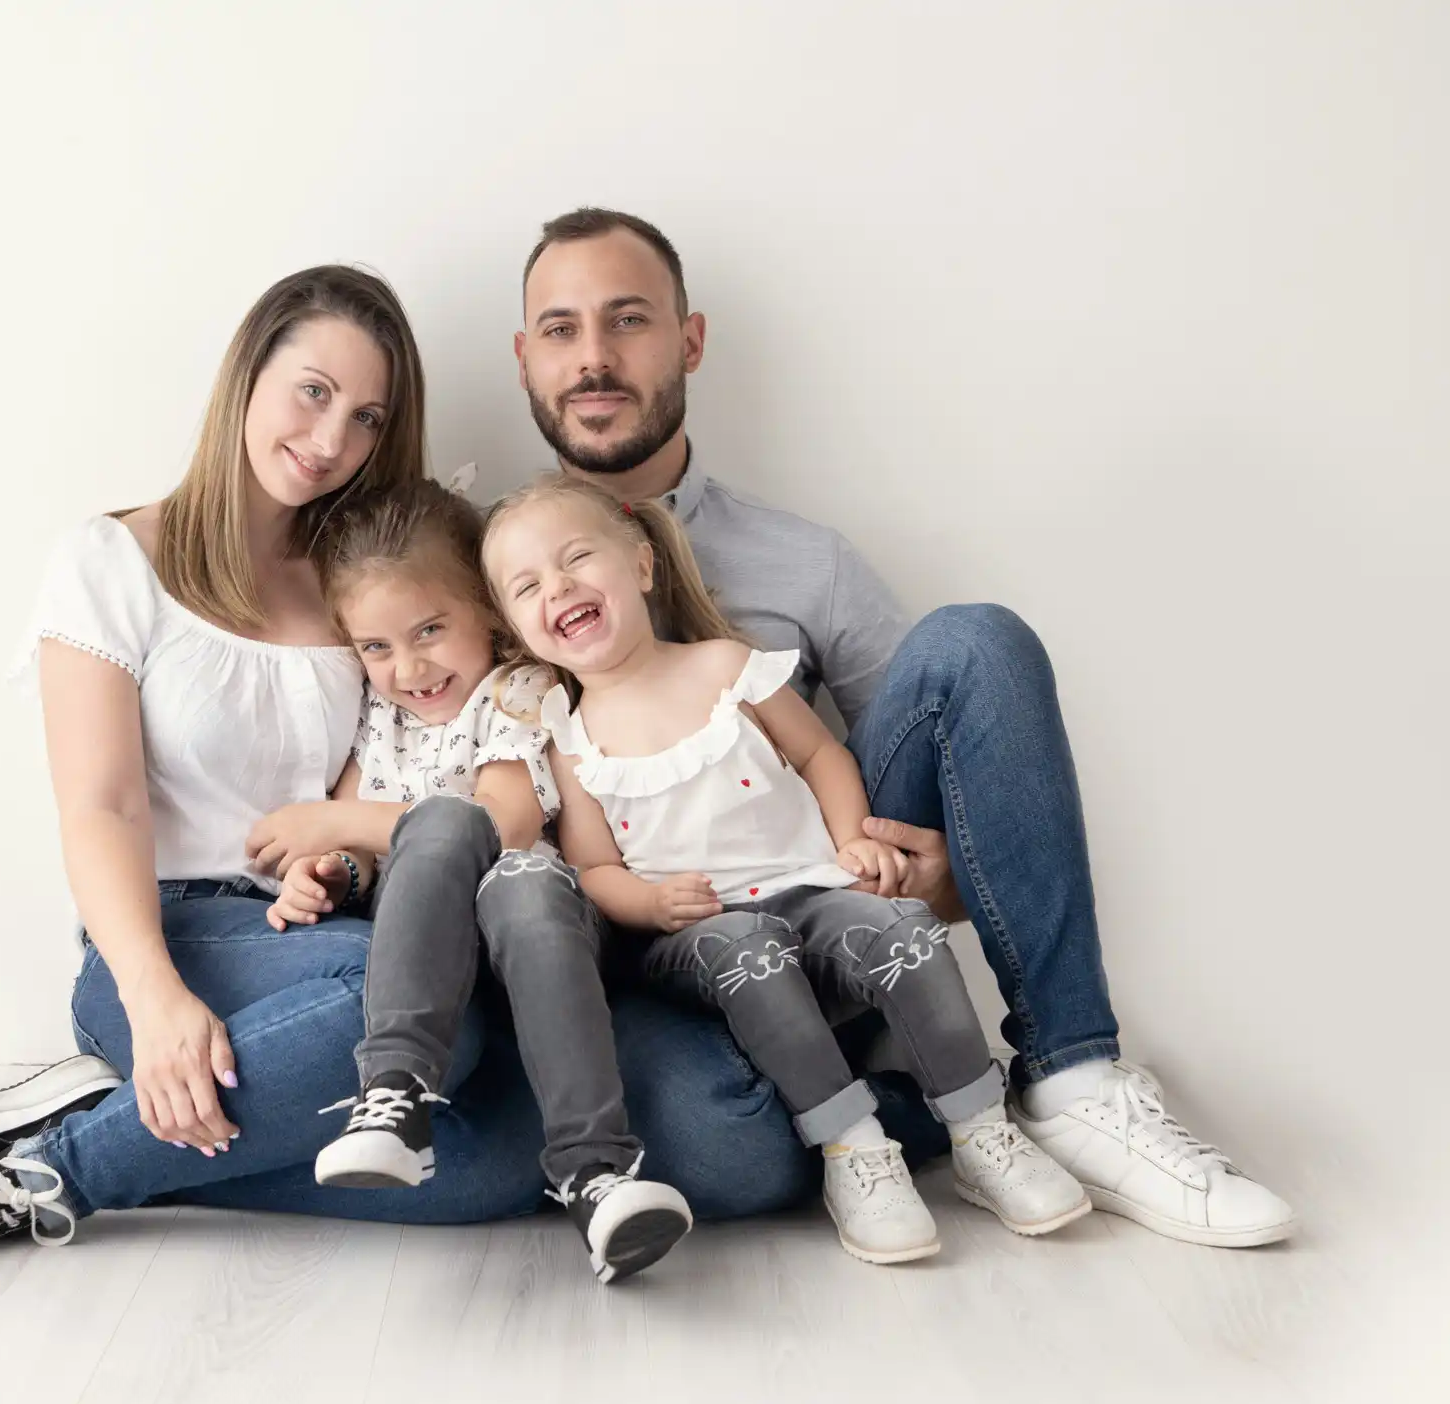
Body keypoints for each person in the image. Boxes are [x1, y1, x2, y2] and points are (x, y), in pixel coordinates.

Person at [509, 207, 1296, 1247]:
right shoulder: (488, 579)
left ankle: (1073, 1080)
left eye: (628, 320)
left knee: (973, 643)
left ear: (689, 340)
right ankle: (901, 1107)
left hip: (825, 891)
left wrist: (932, 873)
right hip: (662, 953)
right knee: (726, 1147)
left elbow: (945, 771)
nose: (594, 359)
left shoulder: (805, 561)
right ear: (524, 359)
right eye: (560, 330)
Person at [0, 265, 557, 1274]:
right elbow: (101, 804)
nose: (330, 439)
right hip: (171, 938)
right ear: (247, 374)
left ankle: (108, 1128)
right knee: (409, 1003)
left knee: (509, 1149)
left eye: (365, 418)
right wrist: (154, 997)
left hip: (329, 922)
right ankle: (46, 1176)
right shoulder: (111, 560)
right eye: (313, 392)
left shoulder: (361, 586)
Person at [482, 472, 1091, 1262]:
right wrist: (651, 903)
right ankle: (853, 1149)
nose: (558, 587)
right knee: (750, 952)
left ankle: (981, 1132)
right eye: (527, 586)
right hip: (700, 929)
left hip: (809, 887)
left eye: (575, 559)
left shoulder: (727, 666)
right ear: (516, 628)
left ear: (641, 564)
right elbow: (593, 867)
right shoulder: (570, 736)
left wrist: (852, 841)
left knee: (904, 931)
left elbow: (820, 754)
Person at [246, 478, 693, 1283]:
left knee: (475, 840)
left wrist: (334, 820)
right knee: (436, 827)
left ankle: (596, 1173)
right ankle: (394, 1098)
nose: (409, 667)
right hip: (429, 952)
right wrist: (330, 870)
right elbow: (363, 857)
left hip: (536, 932)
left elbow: (506, 822)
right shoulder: (377, 716)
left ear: (486, 612)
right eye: (376, 648)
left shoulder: (517, 690)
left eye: (430, 630)